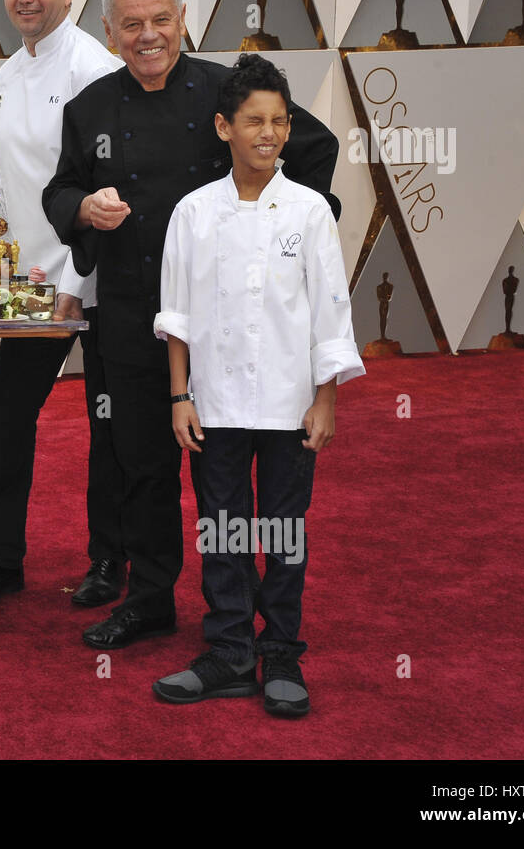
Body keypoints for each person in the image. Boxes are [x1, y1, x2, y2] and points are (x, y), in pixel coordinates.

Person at [42, 0, 340, 649]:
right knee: (141, 466)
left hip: (227, 329)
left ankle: (239, 614)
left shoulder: (225, 92)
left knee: (222, 477)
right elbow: (59, 193)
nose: (148, 36)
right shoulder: (89, 109)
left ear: (182, 18)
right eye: (131, 24)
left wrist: (293, 222)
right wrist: (83, 208)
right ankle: (149, 598)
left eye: (161, 20)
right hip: (129, 317)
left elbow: (312, 146)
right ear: (109, 32)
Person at [150, 53, 363, 715]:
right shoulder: (193, 212)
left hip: (291, 404)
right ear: (223, 127)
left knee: (283, 531)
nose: (267, 133)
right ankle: (229, 651)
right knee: (221, 529)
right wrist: (180, 396)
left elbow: (331, 312)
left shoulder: (309, 211)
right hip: (214, 404)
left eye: (278, 121)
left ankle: (281, 654)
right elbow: (177, 314)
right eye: (253, 121)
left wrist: (325, 397)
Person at [0, 0, 125, 613]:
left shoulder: (95, 69)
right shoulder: (4, 75)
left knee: (106, 426)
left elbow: (108, 188)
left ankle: (110, 561)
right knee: (8, 417)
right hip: (28, 285)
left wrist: (77, 283)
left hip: (93, 283)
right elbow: (8, 173)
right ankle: (2, 558)